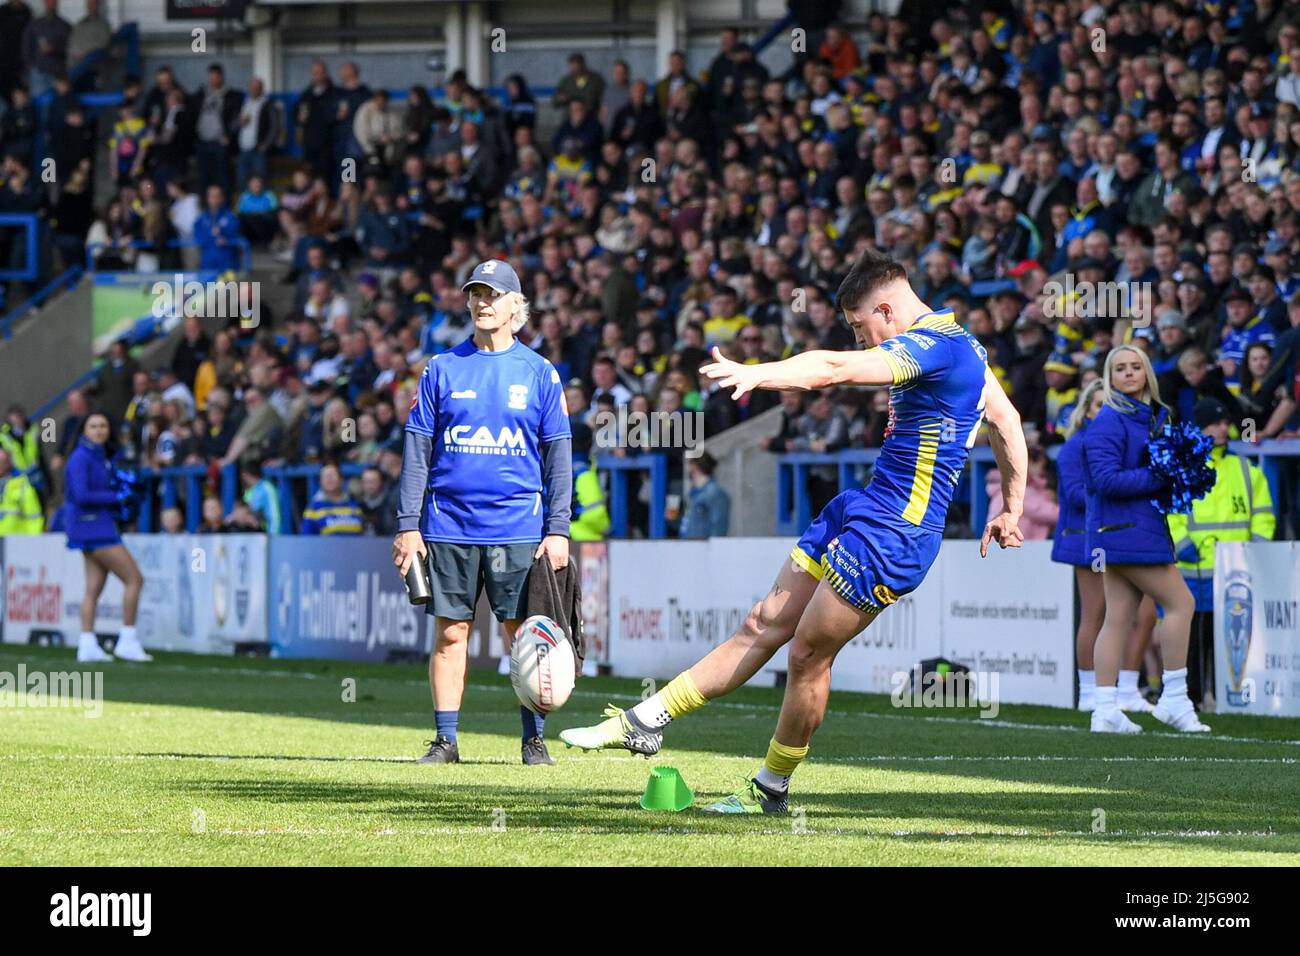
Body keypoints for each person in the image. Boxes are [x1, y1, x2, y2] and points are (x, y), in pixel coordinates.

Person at [560, 251, 1029, 813]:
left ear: (886, 307)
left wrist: (758, 373)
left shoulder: (940, 346)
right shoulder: (964, 348)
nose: (861, 339)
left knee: (807, 654)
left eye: (861, 327)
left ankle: (771, 788)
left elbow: (834, 371)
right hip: (860, 508)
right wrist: (1011, 507)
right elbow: (1006, 422)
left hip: (897, 532)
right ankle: (644, 720)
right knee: (764, 623)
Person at [392, 259, 572, 767]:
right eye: (475, 293)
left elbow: (559, 454)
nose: (482, 302)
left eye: (493, 294)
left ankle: (533, 739)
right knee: (451, 633)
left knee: (525, 635)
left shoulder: (539, 373)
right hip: (448, 524)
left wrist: (558, 529)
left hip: (518, 526)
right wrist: (409, 526)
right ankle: (446, 740)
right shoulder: (441, 368)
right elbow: (417, 452)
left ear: (517, 306)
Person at [1082, 345, 1209, 734]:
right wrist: (1162, 476)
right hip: (1126, 531)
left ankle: (1105, 709)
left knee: (1118, 617)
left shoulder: (1153, 416)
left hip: (1126, 530)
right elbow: (1106, 480)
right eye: (1119, 368)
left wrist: (1180, 475)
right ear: (1109, 376)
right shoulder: (1110, 420)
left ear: (1148, 373)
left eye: (1136, 366)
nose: (1129, 373)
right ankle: (1174, 698)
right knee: (1181, 603)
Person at [1167, 398, 1275, 706]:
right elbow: (1172, 512)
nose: (1222, 428)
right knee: (1196, 640)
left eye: (1224, 422)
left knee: (1229, 640)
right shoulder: (1184, 468)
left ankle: (1230, 699)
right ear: (1199, 428)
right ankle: (1193, 698)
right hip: (1196, 569)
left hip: (1237, 572)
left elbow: (1264, 513)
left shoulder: (1245, 467)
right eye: (1214, 423)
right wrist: (1182, 543)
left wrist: (1255, 550)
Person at [62, 412, 150, 663]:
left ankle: (87, 644)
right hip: (93, 527)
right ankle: (127, 639)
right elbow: (81, 495)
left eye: (103, 425)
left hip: (93, 525)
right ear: (84, 430)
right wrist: (118, 497)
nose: (99, 430)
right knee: (134, 578)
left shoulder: (102, 456)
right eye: (93, 426)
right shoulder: (81, 458)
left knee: (93, 589)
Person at [1051, 380, 1105, 710]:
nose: (1104, 413)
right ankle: (1088, 691)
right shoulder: (1075, 446)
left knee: (1131, 616)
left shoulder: (1113, 443)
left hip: (1109, 536)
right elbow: (1074, 494)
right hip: (1083, 538)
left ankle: (1120, 687)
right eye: (1099, 406)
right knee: (1094, 614)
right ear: (1086, 411)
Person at [300, 461, 362, 535]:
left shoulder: (354, 504)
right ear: (320, 482)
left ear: (341, 479)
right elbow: (306, 538)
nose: (329, 479)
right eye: (326, 476)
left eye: (332, 475)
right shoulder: (314, 508)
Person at [678, 451, 731, 538]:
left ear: (694, 466)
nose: (687, 468)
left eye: (689, 464)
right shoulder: (693, 493)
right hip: (689, 546)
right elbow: (688, 523)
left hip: (702, 548)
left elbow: (718, 529)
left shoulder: (715, 493)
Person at [0, 447, 43, 534]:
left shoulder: (22, 485)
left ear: (8, 463)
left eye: (2, 462)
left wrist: (33, 541)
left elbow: (34, 517)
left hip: (15, 541)